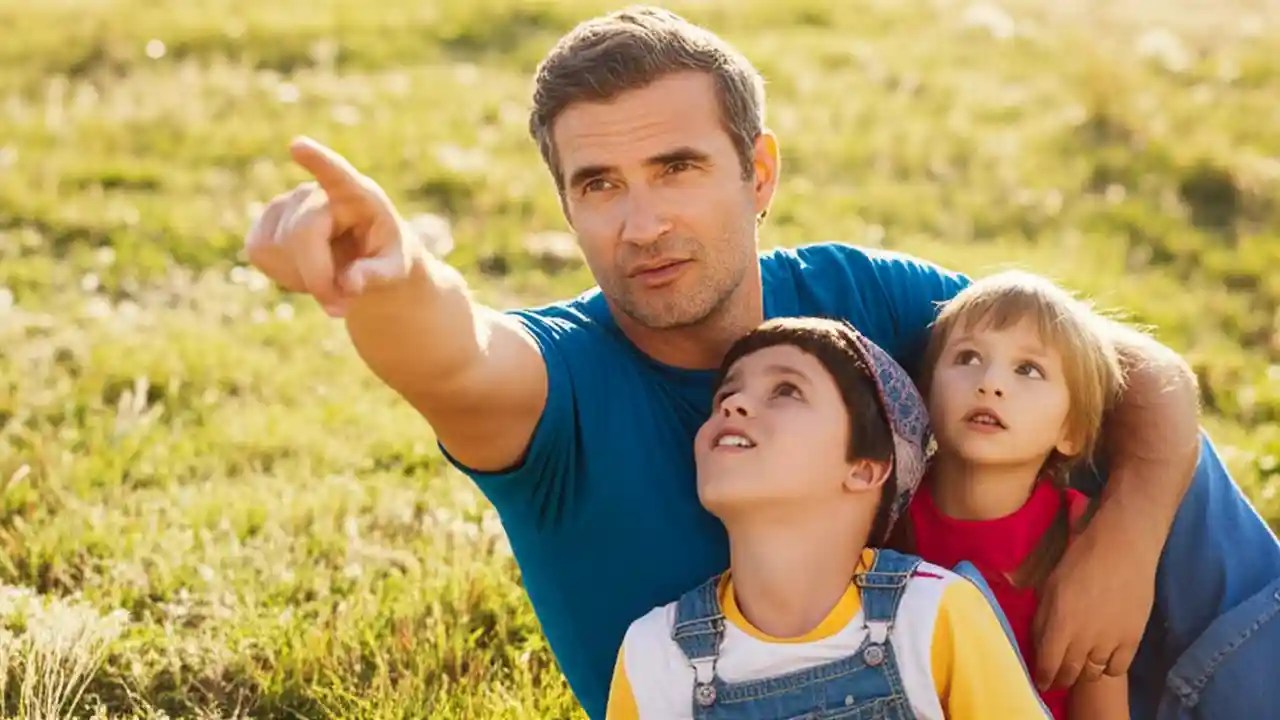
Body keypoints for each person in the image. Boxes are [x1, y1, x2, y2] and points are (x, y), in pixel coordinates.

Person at [242, 7, 1280, 719]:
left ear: (758, 171)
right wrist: (387, 274)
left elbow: (1139, 372)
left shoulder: (852, 291)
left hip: (1187, 642)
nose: (642, 222)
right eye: (598, 184)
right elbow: (455, 355)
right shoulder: (555, 391)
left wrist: (1123, 544)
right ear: (564, 204)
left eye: (678, 167)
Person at [606, 316, 1049, 719]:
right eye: (725, 393)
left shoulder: (932, 615)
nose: (734, 403)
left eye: (786, 391)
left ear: (865, 468)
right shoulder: (656, 655)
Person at [897, 271, 1130, 719]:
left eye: (1028, 369)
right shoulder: (884, 513)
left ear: (1072, 430)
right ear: (925, 394)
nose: (990, 383)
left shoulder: (1085, 540)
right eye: (967, 358)